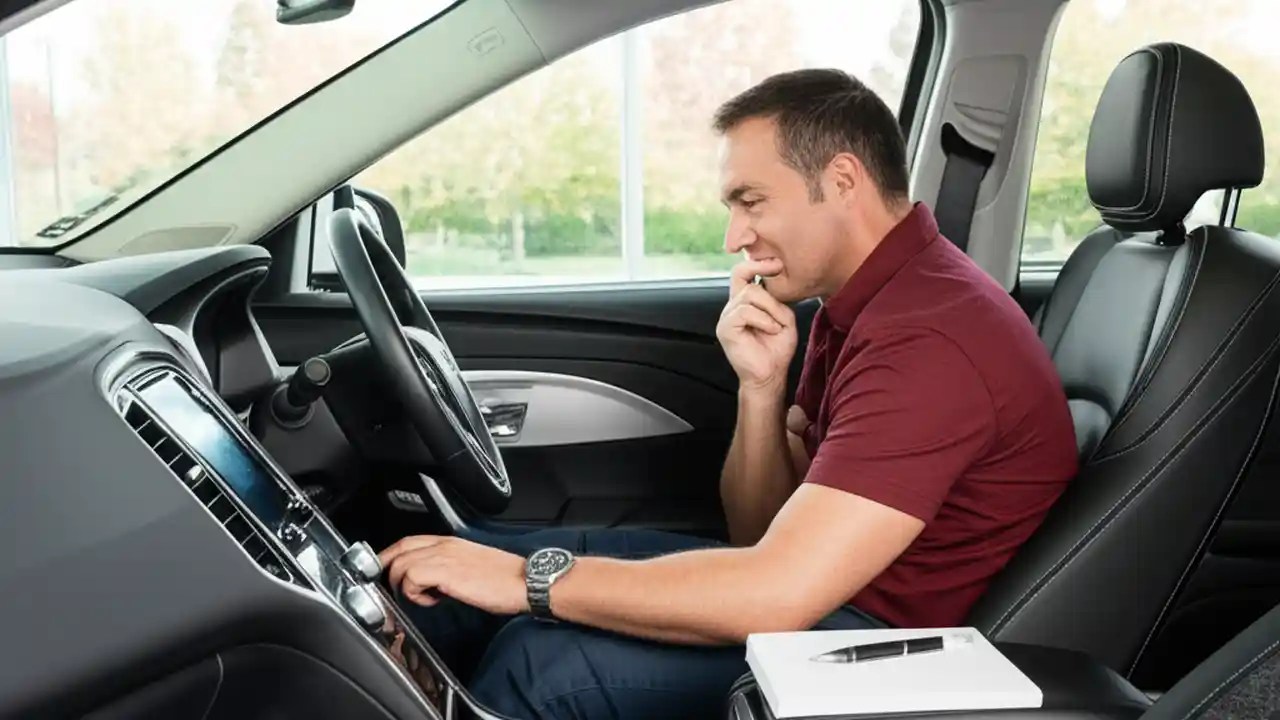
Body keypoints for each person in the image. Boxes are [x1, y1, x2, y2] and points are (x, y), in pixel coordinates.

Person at [381, 68, 1080, 720]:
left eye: (751, 202)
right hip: (822, 596)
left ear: (841, 181)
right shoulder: (858, 306)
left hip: (879, 647)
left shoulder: (931, 338)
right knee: (455, 578)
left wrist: (528, 582)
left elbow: (775, 589)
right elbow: (760, 535)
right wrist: (761, 386)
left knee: (538, 660)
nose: (733, 237)